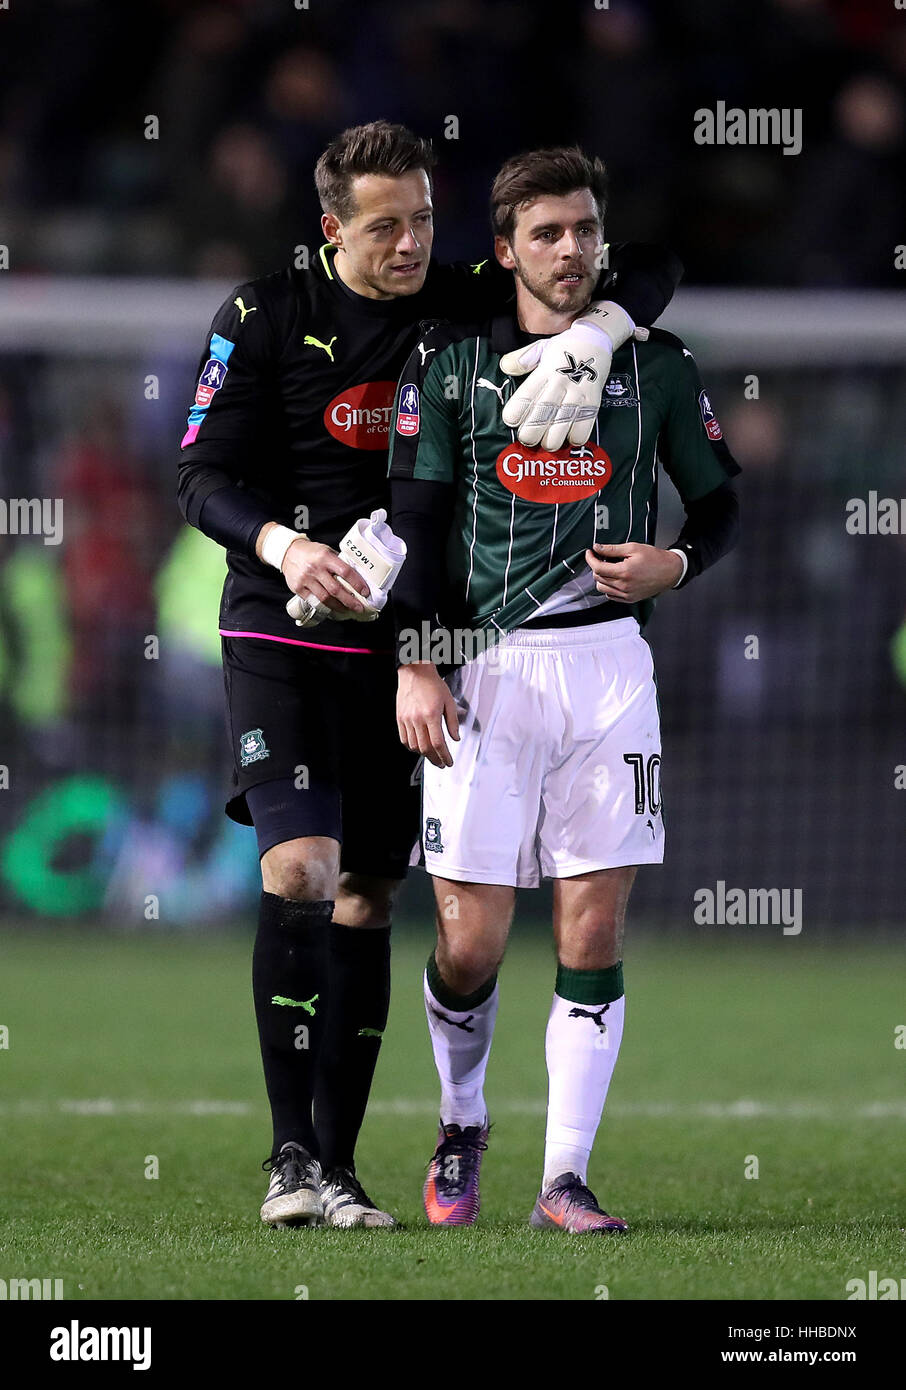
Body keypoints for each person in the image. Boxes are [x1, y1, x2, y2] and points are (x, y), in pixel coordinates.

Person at [177, 121, 683, 1229]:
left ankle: (341, 1168)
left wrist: (598, 329)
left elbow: (650, 267)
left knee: (369, 891)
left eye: (423, 218)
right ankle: (289, 1156)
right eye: (385, 225)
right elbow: (199, 472)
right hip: (284, 625)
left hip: (406, 643)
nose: (412, 244)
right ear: (331, 230)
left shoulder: (454, 298)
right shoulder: (264, 316)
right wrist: (285, 545)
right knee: (300, 871)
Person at [389, 146, 740, 1233]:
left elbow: (721, 504)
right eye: (547, 233)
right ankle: (461, 1121)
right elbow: (416, 526)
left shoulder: (657, 365)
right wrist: (415, 655)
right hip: (485, 664)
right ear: (504, 252)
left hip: (608, 669)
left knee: (592, 928)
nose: (573, 249)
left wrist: (676, 563)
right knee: (471, 941)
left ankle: (565, 1179)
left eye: (586, 229)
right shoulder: (452, 365)